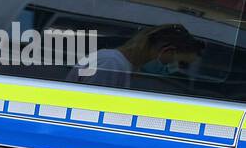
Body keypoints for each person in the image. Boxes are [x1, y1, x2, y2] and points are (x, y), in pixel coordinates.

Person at [67, 23, 205, 90]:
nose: (178, 69)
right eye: (181, 63)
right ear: (167, 51)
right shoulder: (111, 64)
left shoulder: (122, 65)